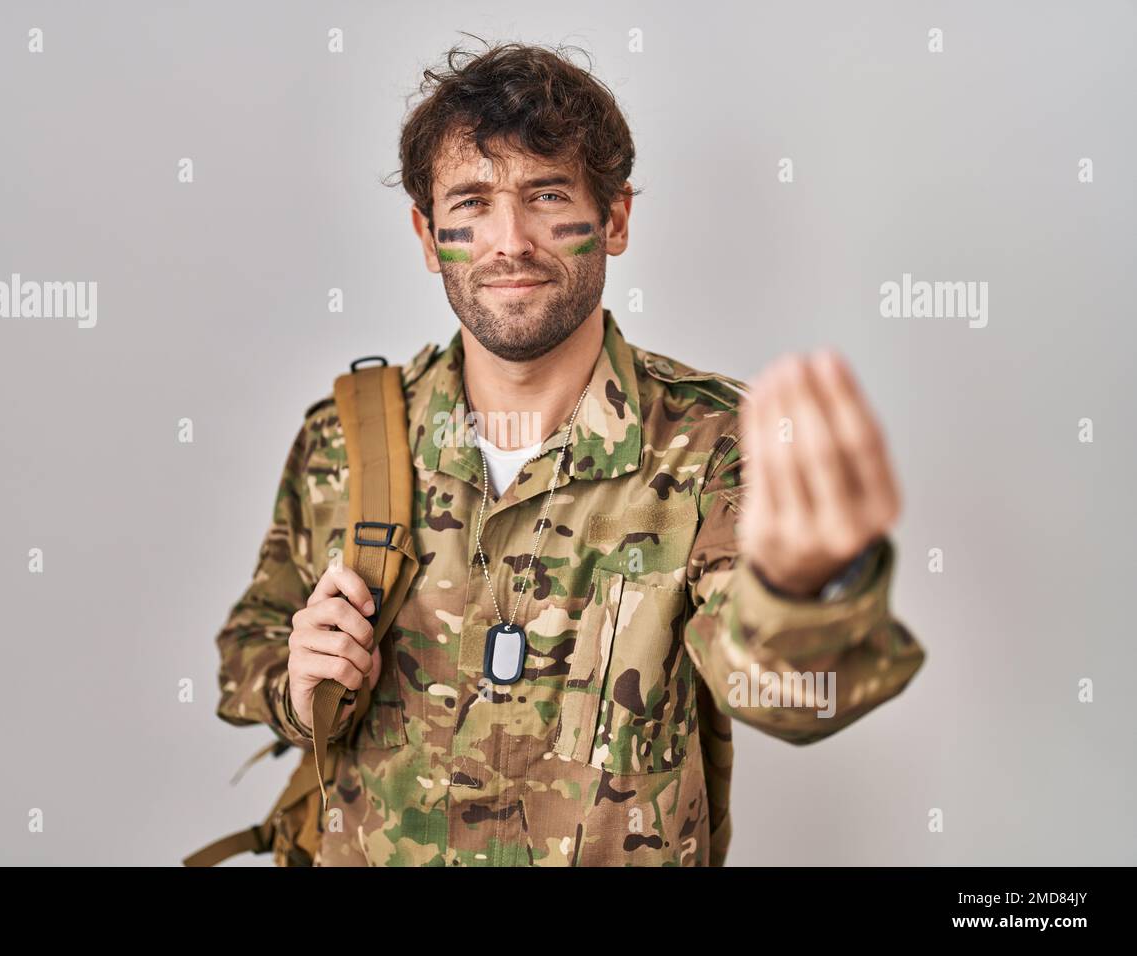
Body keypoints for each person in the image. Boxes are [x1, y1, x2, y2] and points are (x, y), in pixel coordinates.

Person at [213, 40, 925, 866]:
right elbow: (246, 649)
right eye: (472, 203)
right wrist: (296, 682)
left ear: (615, 219)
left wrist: (800, 592)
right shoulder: (345, 441)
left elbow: (792, 699)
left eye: (547, 195)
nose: (509, 241)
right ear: (427, 234)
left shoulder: (715, 444)